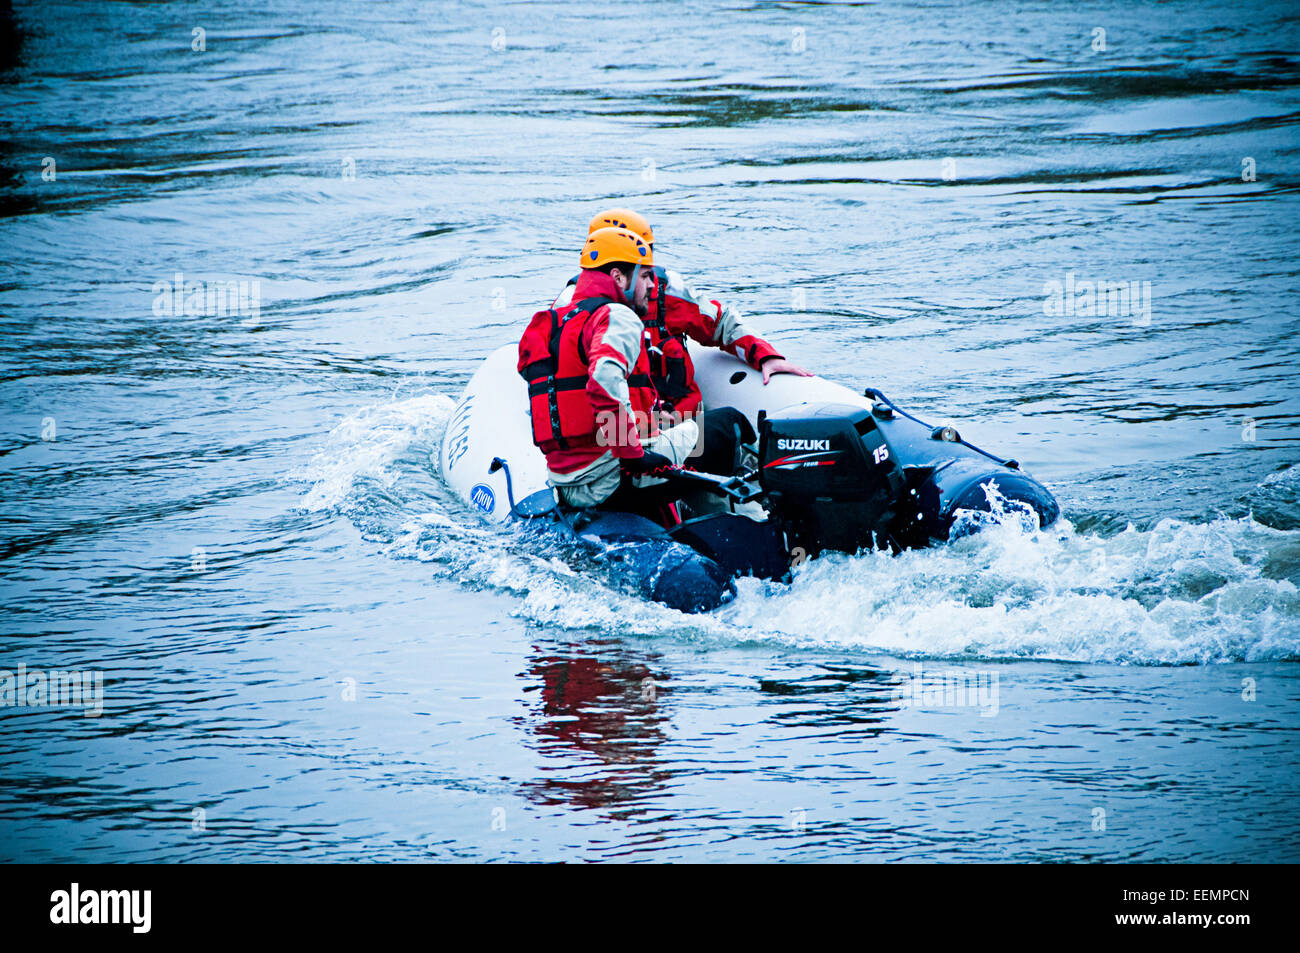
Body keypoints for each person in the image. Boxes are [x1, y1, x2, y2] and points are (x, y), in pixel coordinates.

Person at [518, 227, 742, 519]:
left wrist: (649, 421)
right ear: (618, 277)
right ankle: (731, 525)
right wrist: (633, 455)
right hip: (615, 480)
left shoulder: (553, 322)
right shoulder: (616, 315)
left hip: (567, 482)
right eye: (645, 275)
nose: (652, 286)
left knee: (682, 430)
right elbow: (603, 383)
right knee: (728, 424)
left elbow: (567, 394)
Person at [553, 208, 813, 428]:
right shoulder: (571, 310)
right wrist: (642, 426)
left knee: (726, 427)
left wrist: (767, 356)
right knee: (729, 425)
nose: (647, 269)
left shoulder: (668, 293)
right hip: (625, 434)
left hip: (677, 420)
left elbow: (720, 323)